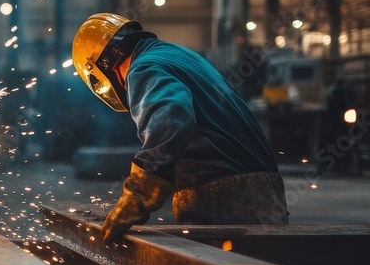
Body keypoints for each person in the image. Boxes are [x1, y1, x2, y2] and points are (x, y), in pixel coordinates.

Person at [71, 13, 287, 242]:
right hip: (263, 191)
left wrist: (138, 195)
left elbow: (170, 121)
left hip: (223, 196)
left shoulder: (143, 68)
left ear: (103, 65)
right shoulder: (177, 55)